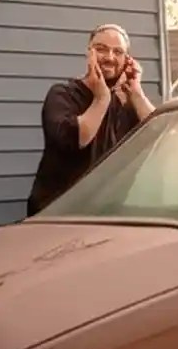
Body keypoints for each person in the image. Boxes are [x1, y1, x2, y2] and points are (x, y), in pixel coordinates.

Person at [25, 23, 156, 216]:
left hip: (106, 214)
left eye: (118, 52)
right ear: (89, 54)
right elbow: (76, 139)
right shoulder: (62, 95)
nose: (110, 57)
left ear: (128, 60)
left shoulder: (127, 106)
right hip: (56, 214)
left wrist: (137, 93)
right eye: (101, 49)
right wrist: (101, 98)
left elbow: (159, 134)